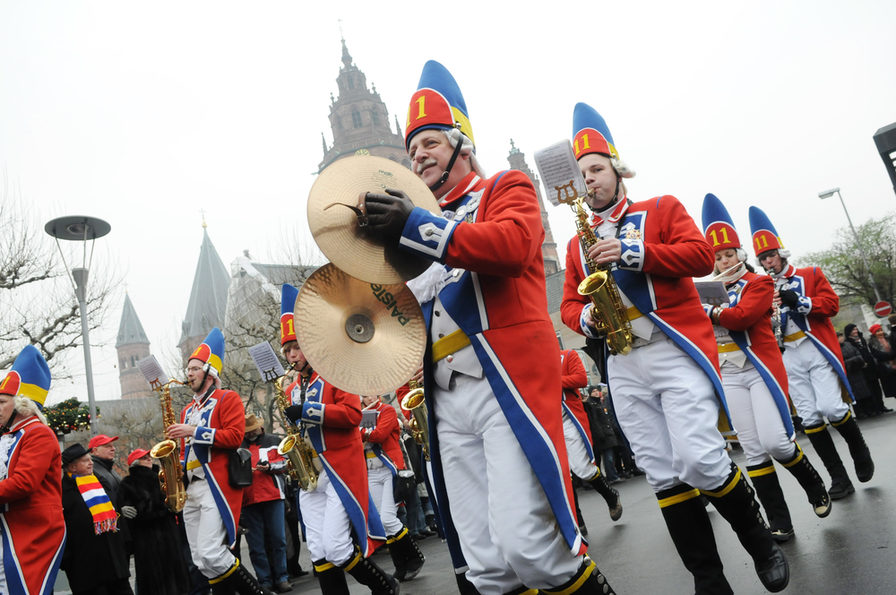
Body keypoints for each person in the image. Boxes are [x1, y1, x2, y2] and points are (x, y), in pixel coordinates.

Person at [363, 61, 610, 594]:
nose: (418, 156)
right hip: (446, 401)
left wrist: (416, 224)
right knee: (486, 567)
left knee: (531, 548)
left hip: (505, 384)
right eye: (412, 149)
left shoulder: (504, 187)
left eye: (430, 142)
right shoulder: (410, 230)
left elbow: (513, 247)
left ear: (462, 145)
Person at [560, 103, 787, 594]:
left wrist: (633, 252)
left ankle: (760, 542)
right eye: (581, 175)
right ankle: (708, 578)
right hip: (622, 360)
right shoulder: (576, 243)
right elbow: (568, 305)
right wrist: (586, 319)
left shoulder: (660, 208)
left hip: (673, 347)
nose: (589, 180)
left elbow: (701, 255)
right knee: (662, 473)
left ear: (617, 171)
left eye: (596, 169)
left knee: (700, 460)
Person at [700, 193, 831, 542]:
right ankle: (779, 521)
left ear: (740, 254)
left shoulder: (759, 282)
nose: (724, 260)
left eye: (729, 254)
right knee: (753, 450)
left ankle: (813, 484)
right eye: (717, 256)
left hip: (758, 369)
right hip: (728, 372)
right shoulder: (703, 289)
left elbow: (741, 318)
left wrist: (709, 311)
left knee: (776, 442)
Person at [749, 206, 874, 500]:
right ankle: (838, 478)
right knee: (809, 417)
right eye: (763, 258)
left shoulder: (811, 274)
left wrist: (799, 301)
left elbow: (831, 306)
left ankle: (859, 449)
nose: (768, 262)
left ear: (781, 253)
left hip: (815, 348)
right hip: (787, 354)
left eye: (771, 255)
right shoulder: (762, 286)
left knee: (831, 408)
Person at [279, 283, 397, 595]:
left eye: (296, 347)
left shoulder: (336, 372)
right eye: (287, 351)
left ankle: (385, 585)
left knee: (336, 546)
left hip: (339, 470)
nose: (292, 356)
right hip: (311, 475)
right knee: (318, 550)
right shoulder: (291, 389)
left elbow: (353, 415)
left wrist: (308, 411)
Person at [166, 327, 272, 595]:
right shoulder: (186, 410)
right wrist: (174, 467)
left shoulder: (227, 398)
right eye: (188, 369)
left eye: (195, 369)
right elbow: (185, 451)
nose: (189, 374)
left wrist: (194, 431)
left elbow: (235, 437)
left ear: (210, 373)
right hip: (191, 488)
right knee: (201, 560)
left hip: (215, 484)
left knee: (212, 553)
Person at [0, 345, 66, 594]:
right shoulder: (8, 436)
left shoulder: (38, 433)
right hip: (10, 527)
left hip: (32, 530)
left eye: (2, 402)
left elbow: (23, 483)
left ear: (22, 405)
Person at [360, 393, 426, 581]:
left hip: (390, 469)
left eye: (371, 393)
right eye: (364, 395)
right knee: (383, 522)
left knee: (388, 518)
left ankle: (415, 558)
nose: (368, 397)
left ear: (378, 394)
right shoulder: (360, 415)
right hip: (371, 472)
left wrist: (359, 432)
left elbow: (379, 435)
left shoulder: (386, 410)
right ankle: (401, 566)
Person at [559, 348, 623, 532]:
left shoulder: (567, 355)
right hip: (547, 424)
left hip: (569, 420)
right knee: (563, 475)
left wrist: (553, 380)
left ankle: (611, 496)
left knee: (582, 468)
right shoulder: (532, 363)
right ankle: (578, 523)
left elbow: (581, 379)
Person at [60, 443, 133, 595]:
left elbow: (117, 513)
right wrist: (68, 561)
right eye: (85, 460)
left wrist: (125, 545)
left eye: (90, 459)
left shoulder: (101, 482)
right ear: (73, 467)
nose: (91, 463)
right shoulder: (63, 493)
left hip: (115, 564)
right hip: (86, 570)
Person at [118, 447, 190, 595]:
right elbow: (137, 512)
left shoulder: (162, 477)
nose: (149, 459)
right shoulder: (129, 483)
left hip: (168, 533)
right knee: (156, 579)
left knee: (173, 575)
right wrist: (164, 508)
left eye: (149, 457)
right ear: (135, 463)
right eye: (144, 458)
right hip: (148, 539)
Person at [240, 414, 293, 593]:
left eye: (251, 430)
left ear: (259, 427)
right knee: (256, 545)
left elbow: (286, 463)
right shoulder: (238, 446)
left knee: (278, 540)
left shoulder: (273, 440)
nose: (249, 434)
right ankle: (264, 580)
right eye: (246, 431)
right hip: (248, 500)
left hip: (273, 496)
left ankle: (282, 577)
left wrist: (270, 467)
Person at [844, 324, 888, 416]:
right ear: (849, 332)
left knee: (877, 388)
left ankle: (881, 406)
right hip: (862, 368)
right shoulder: (848, 342)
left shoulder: (862, 339)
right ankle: (874, 408)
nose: (855, 331)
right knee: (870, 389)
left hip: (871, 367)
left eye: (856, 329)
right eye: (853, 330)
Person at [89, 434, 123, 505]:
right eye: (107, 446)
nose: (113, 449)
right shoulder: (91, 471)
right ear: (95, 450)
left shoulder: (109, 468)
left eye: (113, 446)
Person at [868, 323, 896, 399]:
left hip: (894, 363)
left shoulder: (889, 338)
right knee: (894, 390)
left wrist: (891, 354)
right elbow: (877, 355)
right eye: (877, 331)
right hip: (885, 369)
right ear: (874, 333)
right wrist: (891, 355)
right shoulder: (872, 343)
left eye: (881, 330)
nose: (880, 332)